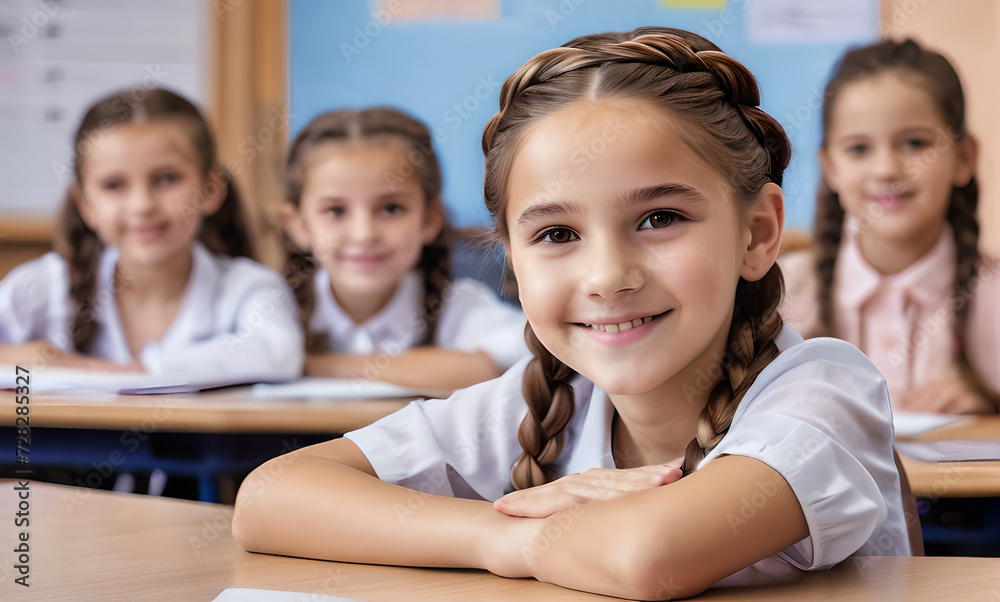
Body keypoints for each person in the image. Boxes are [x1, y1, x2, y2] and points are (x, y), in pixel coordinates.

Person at [232, 28, 908, 599]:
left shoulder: (824, 392)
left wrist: (517, 534)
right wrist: (499, 536)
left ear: (757, 233)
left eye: (660, 218)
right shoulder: (542, 405)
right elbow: (270, 497)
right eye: (557, 234)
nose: (608, 276)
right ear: (512, 261)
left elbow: (647, 555)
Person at [0, 88, 303, 382]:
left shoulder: (249, 289)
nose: (142, 205)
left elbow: (280, 353)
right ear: (86, 205)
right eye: (114, 185)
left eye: (166, 179)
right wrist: (37, 356)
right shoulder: (40, 288)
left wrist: (141, 370)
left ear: (210, 190)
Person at [780, 39, 999, 414]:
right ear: (830, 168)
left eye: (914, 143)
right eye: (859, 149)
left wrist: (988, 399)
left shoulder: (991, 297)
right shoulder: (780, 297)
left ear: (964, 158)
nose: (886, 169)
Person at [280, 108, 528, 391]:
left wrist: (314, 365)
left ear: (429, 220)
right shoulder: (271, 306)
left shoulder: (457, 305)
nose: (363, 234)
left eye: (391, 209)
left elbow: (501, 361)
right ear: (299, 225)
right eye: (336, 211)